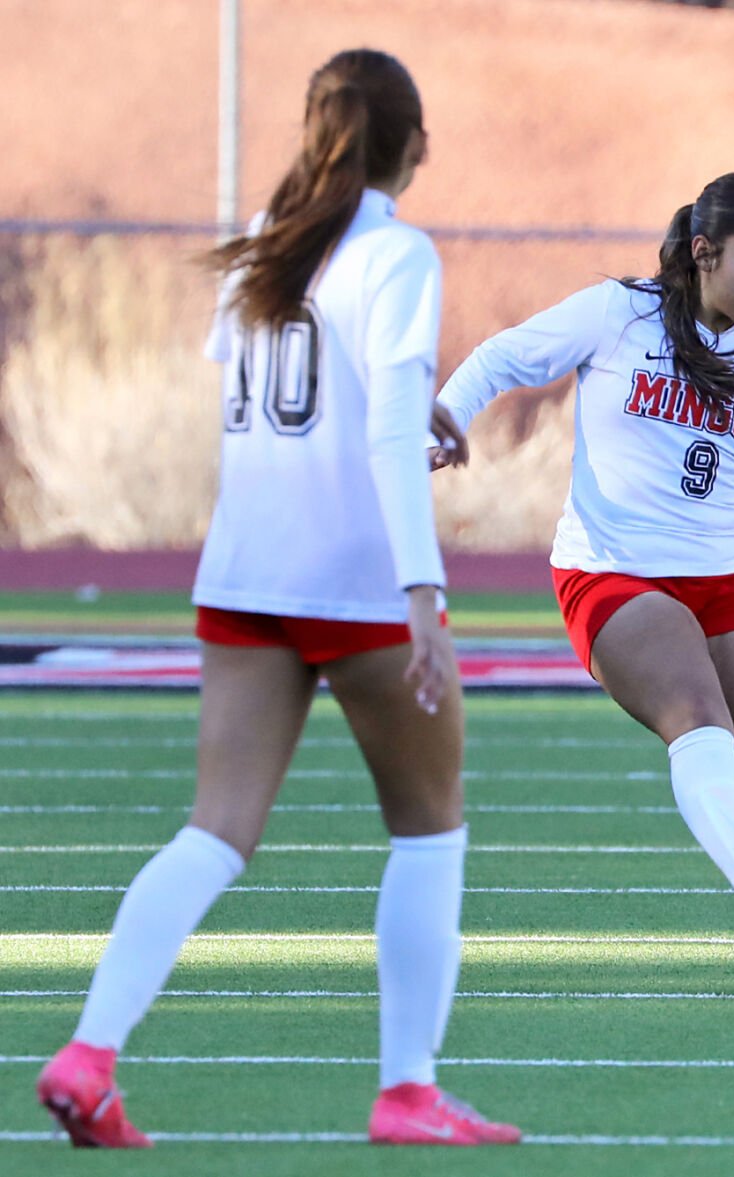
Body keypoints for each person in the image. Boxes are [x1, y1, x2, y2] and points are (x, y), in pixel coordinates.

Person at [35, 49, 519, 1147]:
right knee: (430, 830)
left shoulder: (265, 237)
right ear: (414, 144)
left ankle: (89, 1054)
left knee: (214, 830)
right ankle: (408, 1092)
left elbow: (282, 396)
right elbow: (384, 429)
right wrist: (424, 592)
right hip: (355, 578)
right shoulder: (397, 251)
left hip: (245, 571)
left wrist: (402, 409)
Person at [433, 171, 734, 999]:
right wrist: (441, 422)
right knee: (697, 711)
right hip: (611, 568)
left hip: (726, 573)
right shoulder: (619, 314)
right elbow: (503, 357)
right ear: (704, 251)